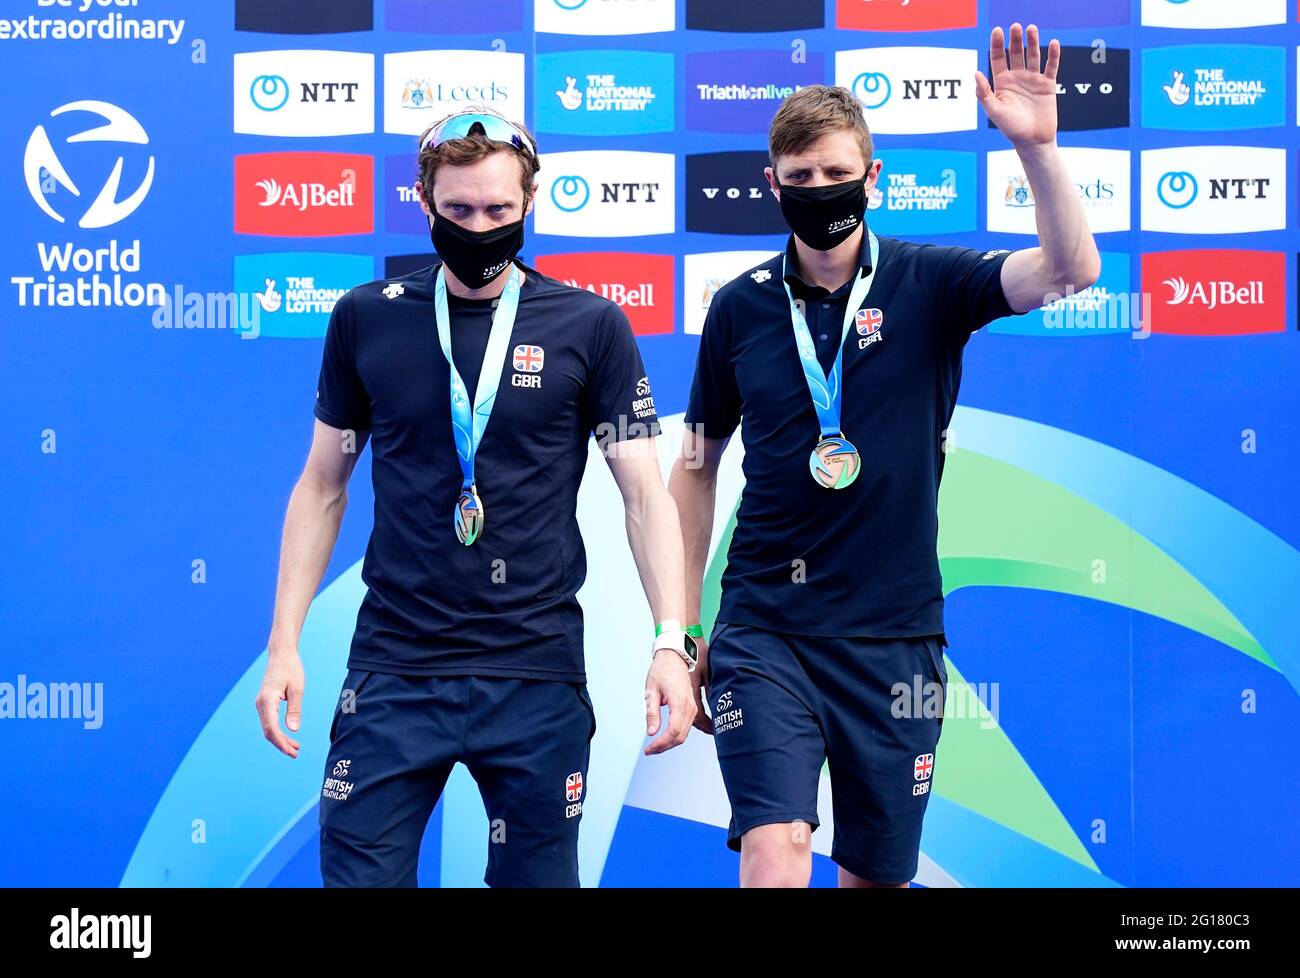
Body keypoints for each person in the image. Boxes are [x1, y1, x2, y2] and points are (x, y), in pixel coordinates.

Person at [668, 24, 1100, 887]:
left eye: (837, 174)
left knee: (876, 876)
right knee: (775, 843)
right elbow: (695, 464)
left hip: (896, 637)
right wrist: (683, 633)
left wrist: (1039, 152)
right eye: (800, 180)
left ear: (873, 178)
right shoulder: (741, 308)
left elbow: (1071, 272)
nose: (819, 190)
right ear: (772, 187)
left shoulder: (931, 283)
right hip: (764, 629)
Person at [255, 105, 699, 887]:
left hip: (537, 675)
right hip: (395, 671)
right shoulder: (366, 317)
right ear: (423, 201)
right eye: (458, 209)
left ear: (532, 201)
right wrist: (284, 642)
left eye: (498, 209)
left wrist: (670, 640)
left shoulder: (590, 324)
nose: (479, 226)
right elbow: (323, 484)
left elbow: (643, 495)